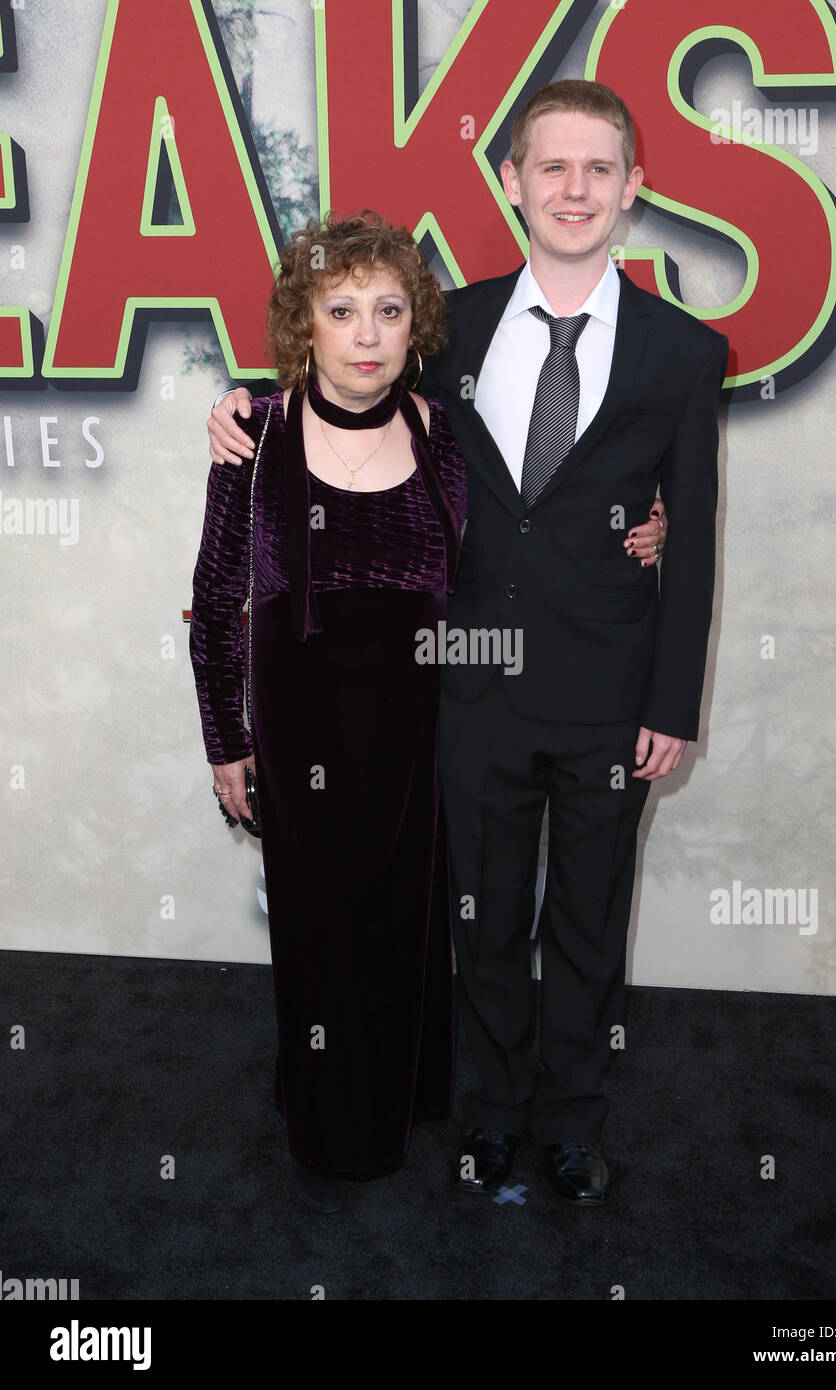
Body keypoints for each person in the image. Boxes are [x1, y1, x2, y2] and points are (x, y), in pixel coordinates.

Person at [208, 78, 716, 1208]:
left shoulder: (685, 355)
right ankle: (489, 1115)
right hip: (470, 689)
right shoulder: (453, 331)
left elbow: (694, 537)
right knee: (481, 921)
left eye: (597, 168)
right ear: (512, 184)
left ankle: (571, 1123)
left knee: (586, 923)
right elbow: (345, 384)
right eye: (551, 167)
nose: (573, 188)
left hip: (607, 692)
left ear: (632, 187)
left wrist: (671, 703)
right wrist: (241, 407)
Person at [190, 211, 467, 1214]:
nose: (365, 332)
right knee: (321, 925)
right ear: (302, 325)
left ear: (413, 325)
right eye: (341, 310)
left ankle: (408, 1093)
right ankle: (335, 1130)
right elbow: (215, 596)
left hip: (416, 732)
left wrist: (640, 532)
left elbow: (492, 575)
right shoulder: (253, 435)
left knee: (403, 920)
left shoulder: (441, 438)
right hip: (298, 728)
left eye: (388, 310)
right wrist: (228, 740)